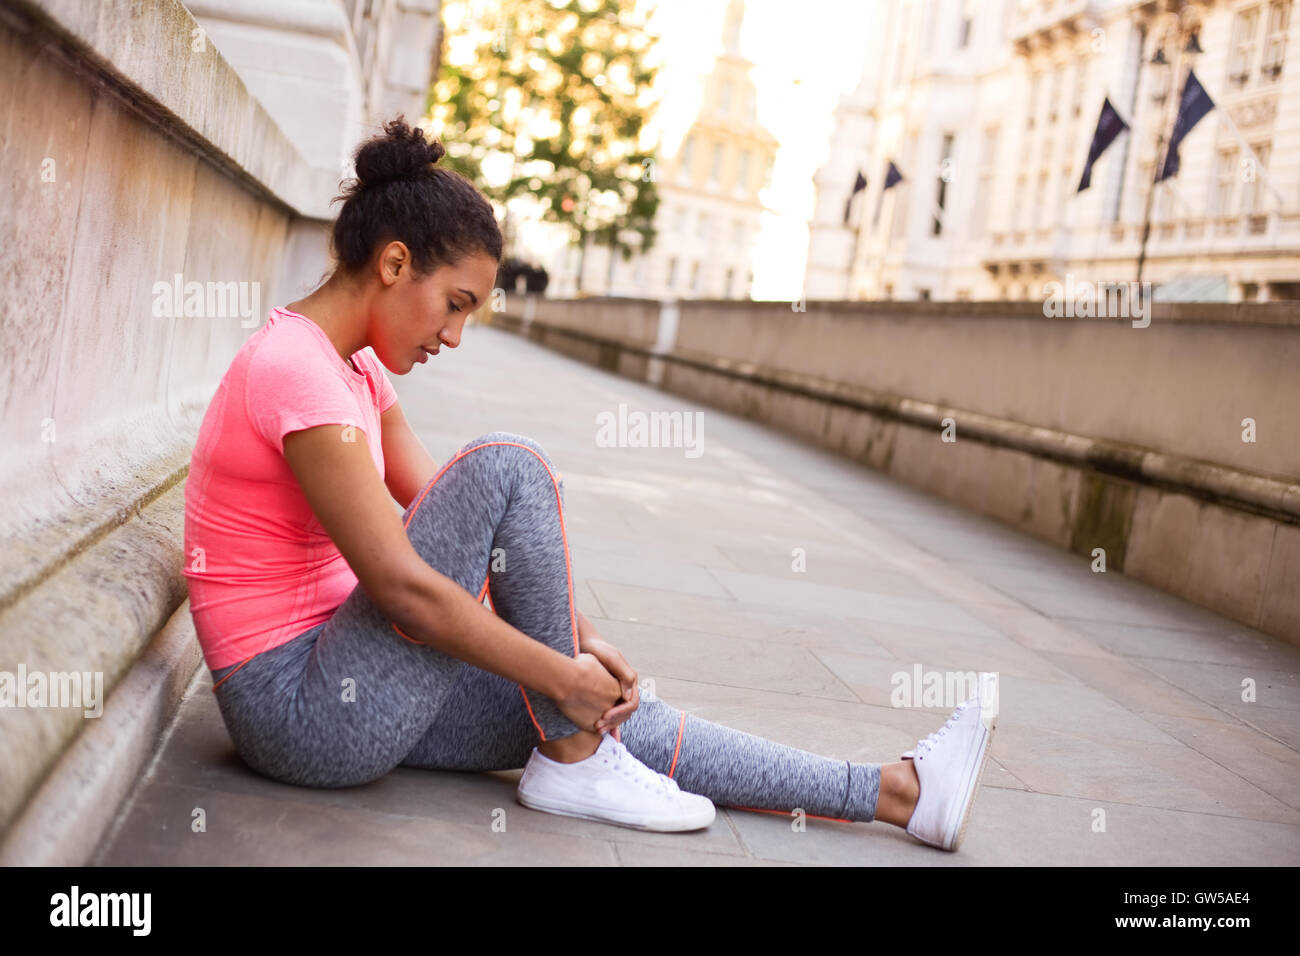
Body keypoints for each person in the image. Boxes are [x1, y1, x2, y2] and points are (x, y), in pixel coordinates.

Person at [182, 117, 997, 850]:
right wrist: (556, 670)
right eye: (455, 304)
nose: (457, 336)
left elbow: (451, 523)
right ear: (395, 264)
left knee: (605, 715)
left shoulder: (353, 368)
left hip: (352, 680)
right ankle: (574, 760)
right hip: (302, 715)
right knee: (513, 467)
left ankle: (894, 794)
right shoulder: (292, 368)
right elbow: (404, 590)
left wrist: (577, 646)